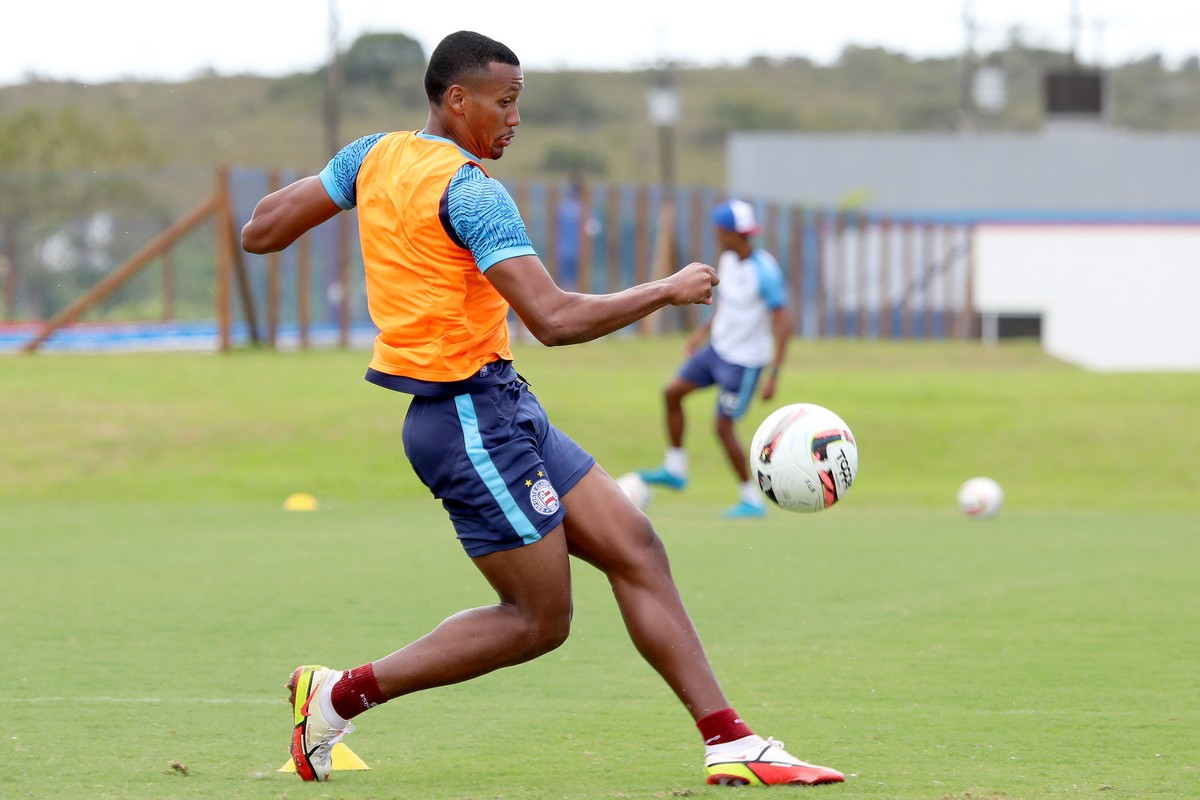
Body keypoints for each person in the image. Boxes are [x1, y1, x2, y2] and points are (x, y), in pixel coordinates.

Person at [241, 31, 841, 788]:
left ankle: (730, 740)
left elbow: (258, 230)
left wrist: (348, 194)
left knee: (636, 545)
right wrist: (665, 289)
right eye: (505, 101)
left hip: (500, 402)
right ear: (456, 100)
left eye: (518, 101)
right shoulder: (471, 191)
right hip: (464, 420)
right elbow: (554, 319)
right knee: (537, 621)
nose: (515, 118)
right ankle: (335, 695)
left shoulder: (372, 156)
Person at [638, 199, 793, 520]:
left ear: (735, 233)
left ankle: (752, 499)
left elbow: (783, 321)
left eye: (719, 232)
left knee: (723, 427)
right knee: (672, 393)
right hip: (717, 351)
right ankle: (675, 469)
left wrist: (774, 373)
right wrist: (702, 334)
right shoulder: (727, 261)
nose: (716, 237)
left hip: (745, 362)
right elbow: (729, 306)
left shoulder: (764, 271)